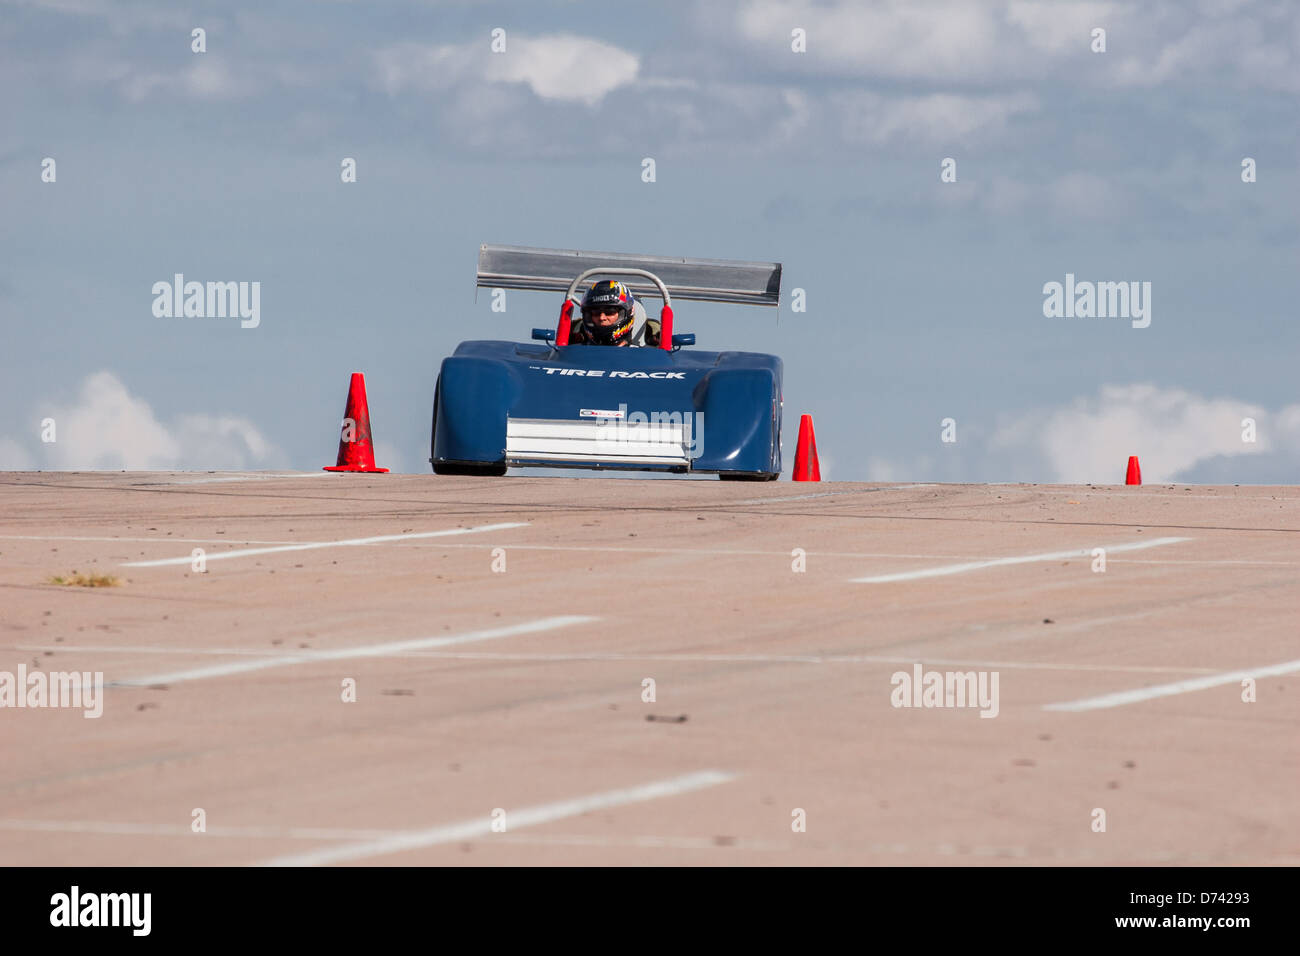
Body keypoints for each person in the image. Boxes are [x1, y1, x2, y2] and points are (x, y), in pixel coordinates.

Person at [569, 279, 661, 347]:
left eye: (609, 312)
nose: (602, 318)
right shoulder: (570, 354)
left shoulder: (650, 357)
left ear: (626, 313)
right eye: (596, 312)